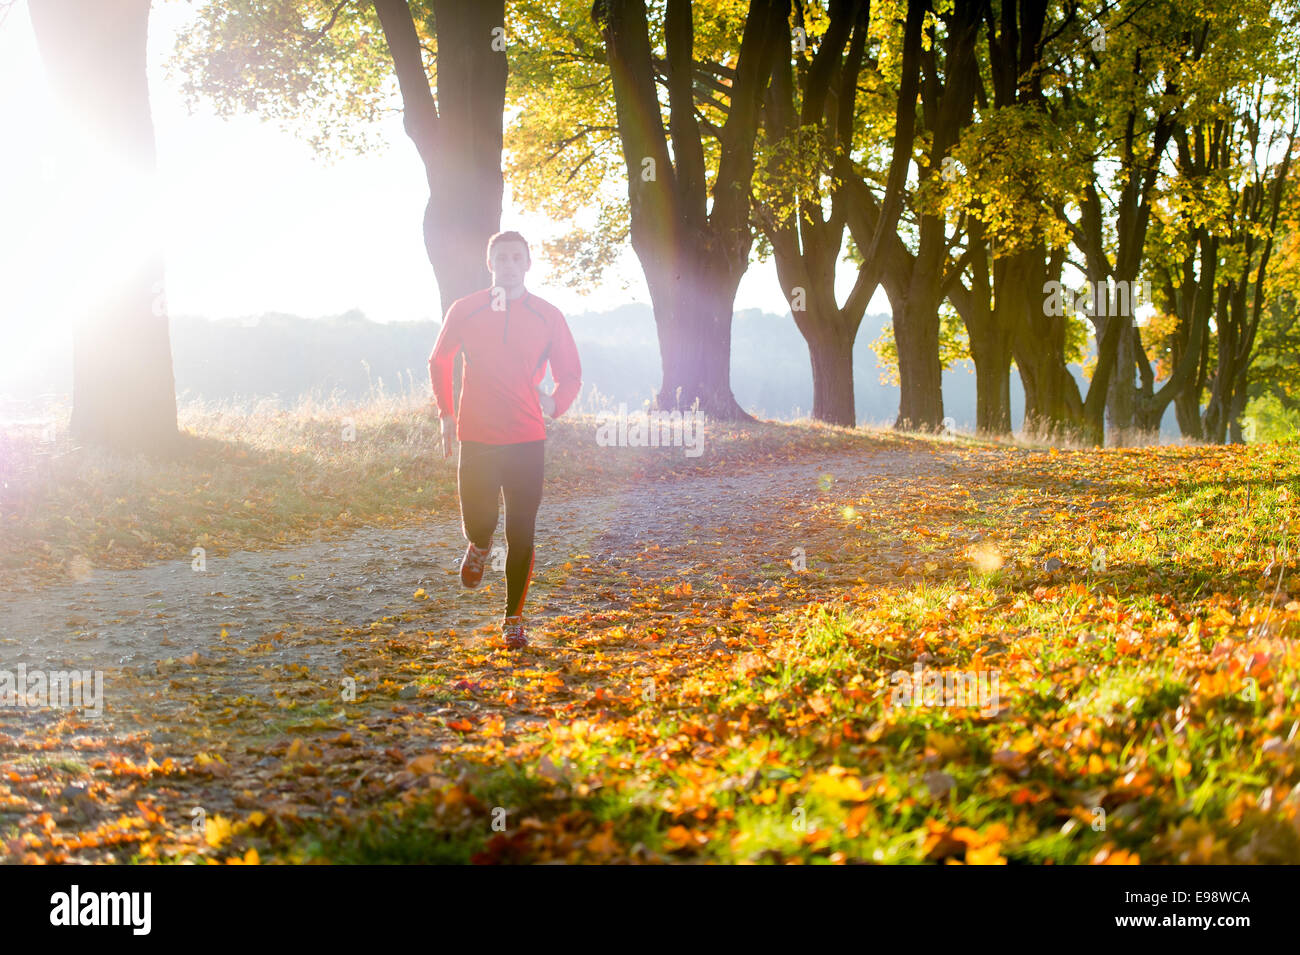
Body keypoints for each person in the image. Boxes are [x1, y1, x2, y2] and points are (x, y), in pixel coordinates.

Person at [428, 230, 582, 649]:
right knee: (481, 523)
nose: (509, 265)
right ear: (490, 263)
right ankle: (479, 546)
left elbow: (570, 373)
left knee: (522, 531)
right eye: (502, 258)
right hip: (476, 435)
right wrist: (445, 414)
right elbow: (440, 359)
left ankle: (513, 618)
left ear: (528, 264)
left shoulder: (548, 315)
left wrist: (555, 404)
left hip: (526, 438)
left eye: (517, 257)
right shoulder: (467, 309)